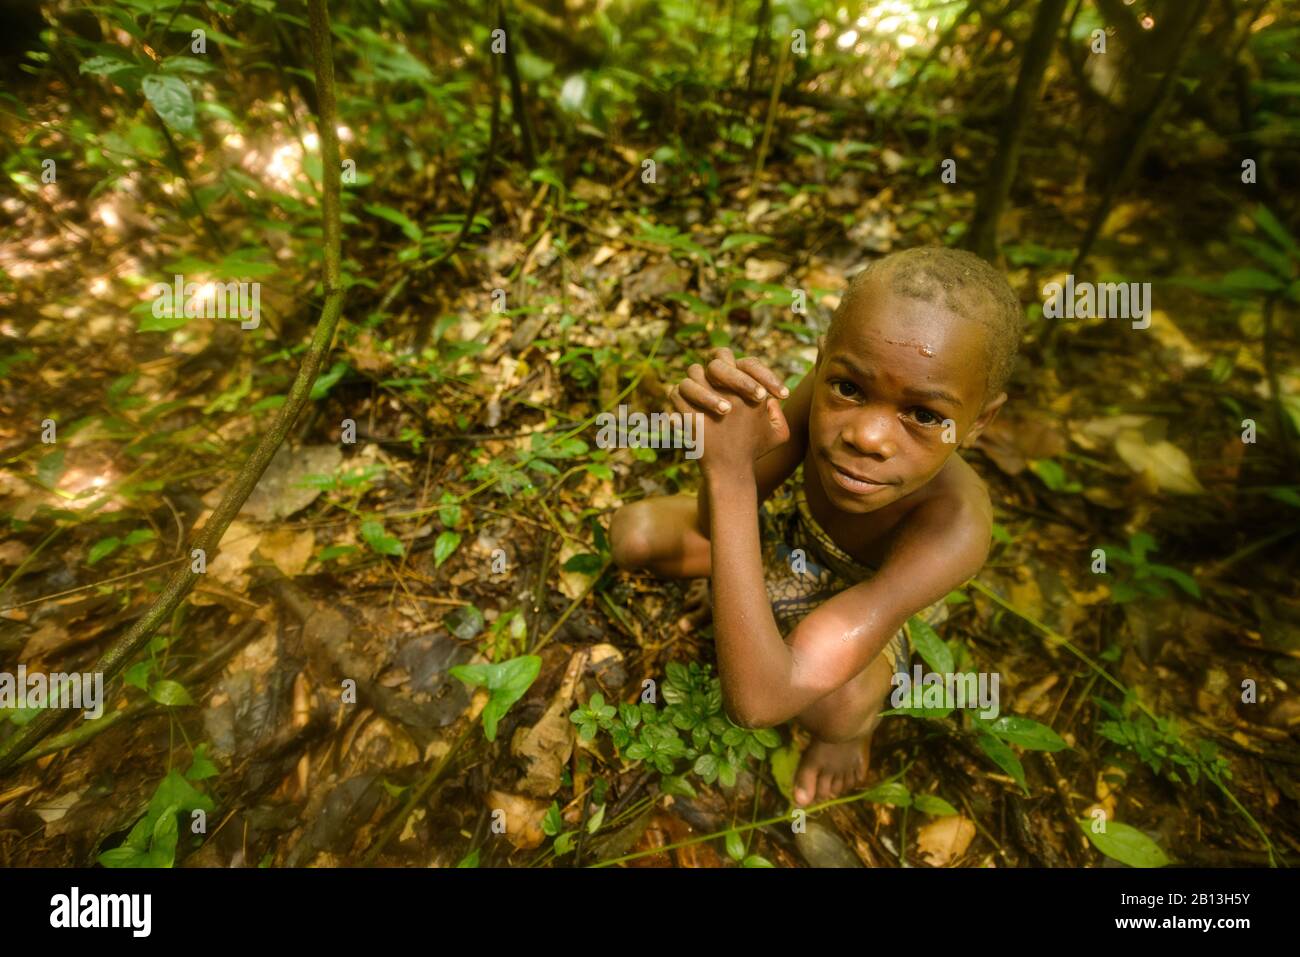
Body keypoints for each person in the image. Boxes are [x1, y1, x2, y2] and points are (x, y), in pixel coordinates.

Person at [610, 246, 1021, 807]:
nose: (867, 436)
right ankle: (761, 607)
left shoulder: (955, 525)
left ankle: (850, 736)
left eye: (925, 415)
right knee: (633, 533)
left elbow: (757, 702)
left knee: (837, 704)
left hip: (866, 602)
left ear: (980, 421)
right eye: (849, 388)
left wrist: (730, 475)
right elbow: (712, 522)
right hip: (788, 536)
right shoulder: (822, 391)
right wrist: (727, 438)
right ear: (825, 358)